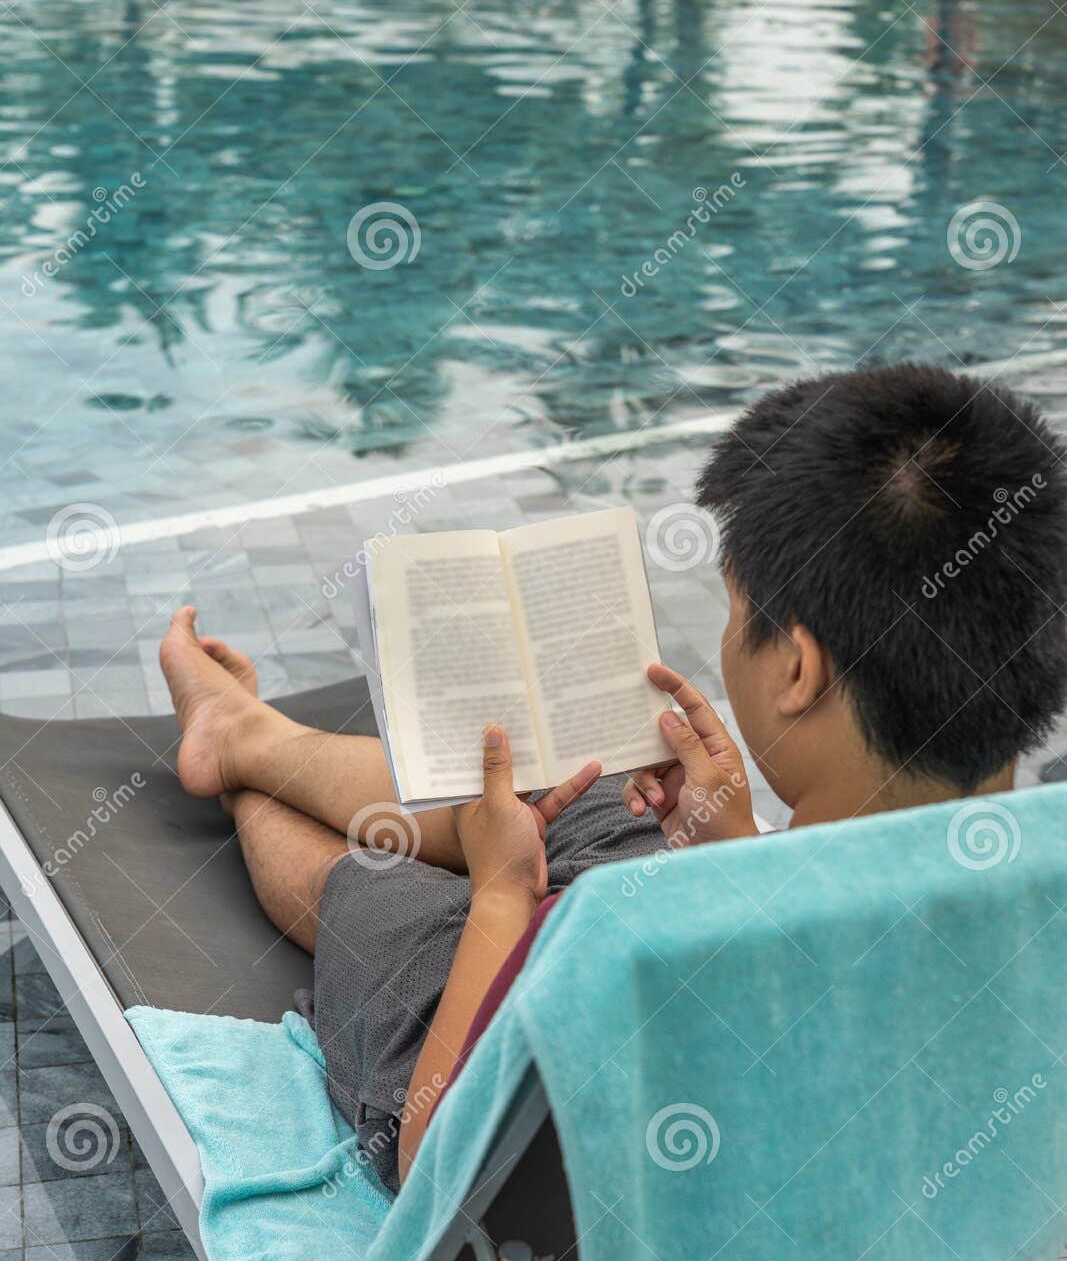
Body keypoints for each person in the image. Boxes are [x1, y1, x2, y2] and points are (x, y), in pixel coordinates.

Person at [159, 364, 1067, 1188]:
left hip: (505, 1051)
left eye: (734, 609)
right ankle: (245, 734)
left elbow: (441, 1167)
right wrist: (730, 847)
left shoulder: (644, 963)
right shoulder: (1032, 885)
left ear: (796, 670)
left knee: (376, 887)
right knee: (577, 794)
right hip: (710, 936)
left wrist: (501, 898)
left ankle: (236, 771)